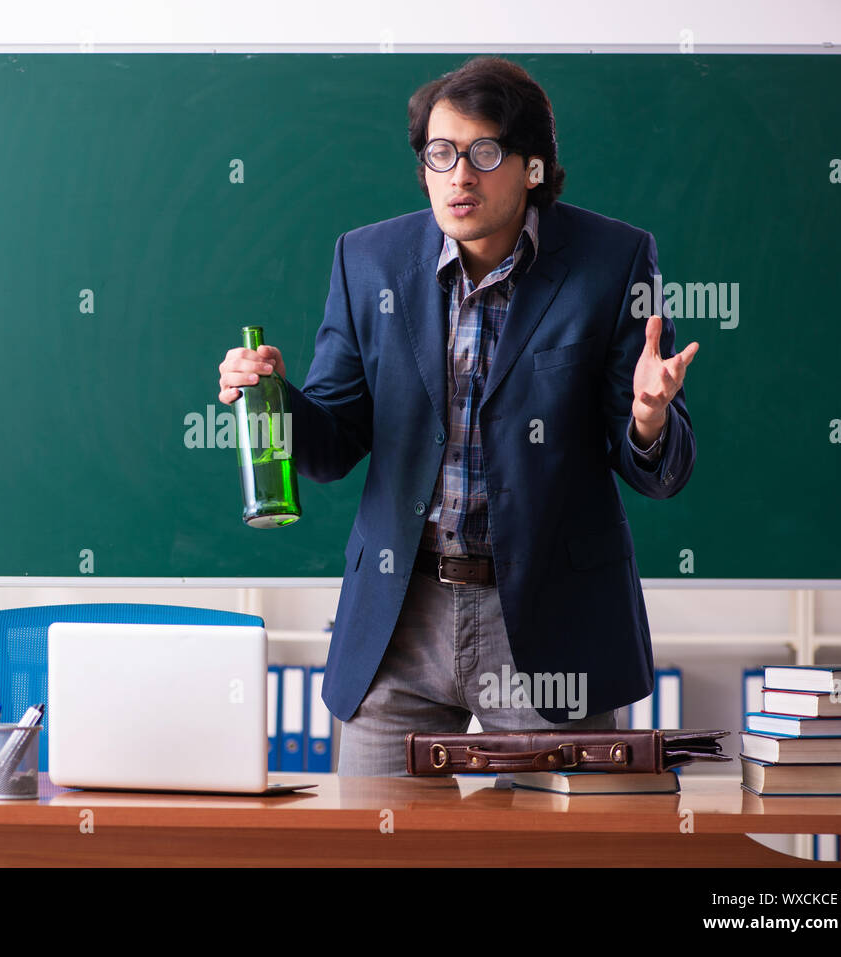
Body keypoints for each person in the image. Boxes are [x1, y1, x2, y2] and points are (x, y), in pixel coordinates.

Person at [217, 56, 698, 776]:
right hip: (399, 619)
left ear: (533, 167)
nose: (459, 176)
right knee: (376, 851)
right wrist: (274, 399)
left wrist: (649, 418)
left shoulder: (613, 260)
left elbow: (660, 474)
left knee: (565, 852)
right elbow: (331, 445)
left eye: (485, 152)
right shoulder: (368, 260)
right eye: (440, 154)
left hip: (548, 622)